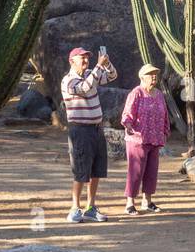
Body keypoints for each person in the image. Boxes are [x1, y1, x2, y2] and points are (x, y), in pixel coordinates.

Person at [61, 46, 117, 223]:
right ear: (72, 61)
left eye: (87, 57)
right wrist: (99, 67)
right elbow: (84, 88)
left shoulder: (90, 73)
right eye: (82, 58)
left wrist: (107, 64)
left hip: (96, 128)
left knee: (96, 170)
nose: (86, 60)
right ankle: (74, 208)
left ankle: (90, 207)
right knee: (80, 170)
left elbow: (112, 76)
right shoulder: (68, 80)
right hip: (80, 129)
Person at [121, 63, 171, 215]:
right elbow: (127, 113)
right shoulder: (136, 93)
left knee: (151, 171)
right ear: (142, 77)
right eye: (150, 74)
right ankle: (130, 202)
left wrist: (165, 130)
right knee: (136, 171)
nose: (154, 76)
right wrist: (128, 124)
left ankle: (147, 201)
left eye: (155, 74)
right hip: (138, 139)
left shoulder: (159, 94)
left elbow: (165, 114)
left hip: (155, 138)